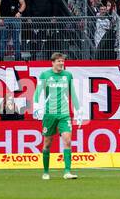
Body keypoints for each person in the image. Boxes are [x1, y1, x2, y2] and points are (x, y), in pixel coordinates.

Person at [33, 52, 84, 180]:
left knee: (67, 141)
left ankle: (67, 172)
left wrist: (78, 111)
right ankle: (45, 172)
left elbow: (73, 93)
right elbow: (37, 92)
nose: (61, 63)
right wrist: (36, 107)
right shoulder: (45, 75)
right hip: (49, 114)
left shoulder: (68, 75)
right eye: (59, 61)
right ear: (53, 62)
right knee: (47, 143)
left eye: (63, 61)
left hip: (64, 115)